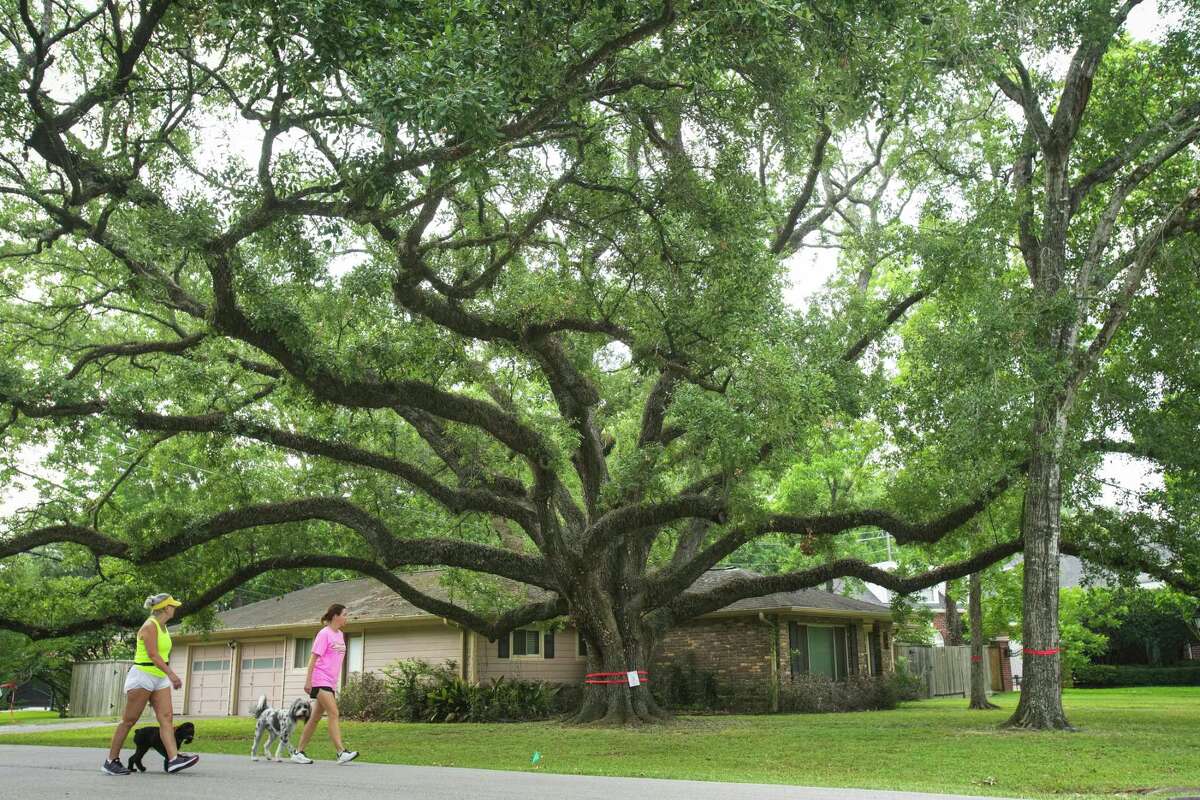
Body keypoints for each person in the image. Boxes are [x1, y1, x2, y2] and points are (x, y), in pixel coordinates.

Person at [102, 593, 200, 775]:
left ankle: (173, 759)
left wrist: (166, 673)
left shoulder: (163, 627)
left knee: (166, 717)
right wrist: (171, 674)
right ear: (164, 608)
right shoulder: (149, 626)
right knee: (129, 720)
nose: (175, 608)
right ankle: (111, 760)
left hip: (159, 676)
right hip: (143, 675)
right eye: (172, 605)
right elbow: (153, 655)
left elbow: (162, 655)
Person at [291, 603, 359, 765]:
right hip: (320, 679)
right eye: (344, 614)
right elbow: (313, 658)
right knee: (334, 713)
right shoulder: (324, 634)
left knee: (314, 718)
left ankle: (298, 752)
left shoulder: (340, 635)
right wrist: (308, 680)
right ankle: (341, 752)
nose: (346, 617)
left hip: (330, 681)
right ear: (335, 616)